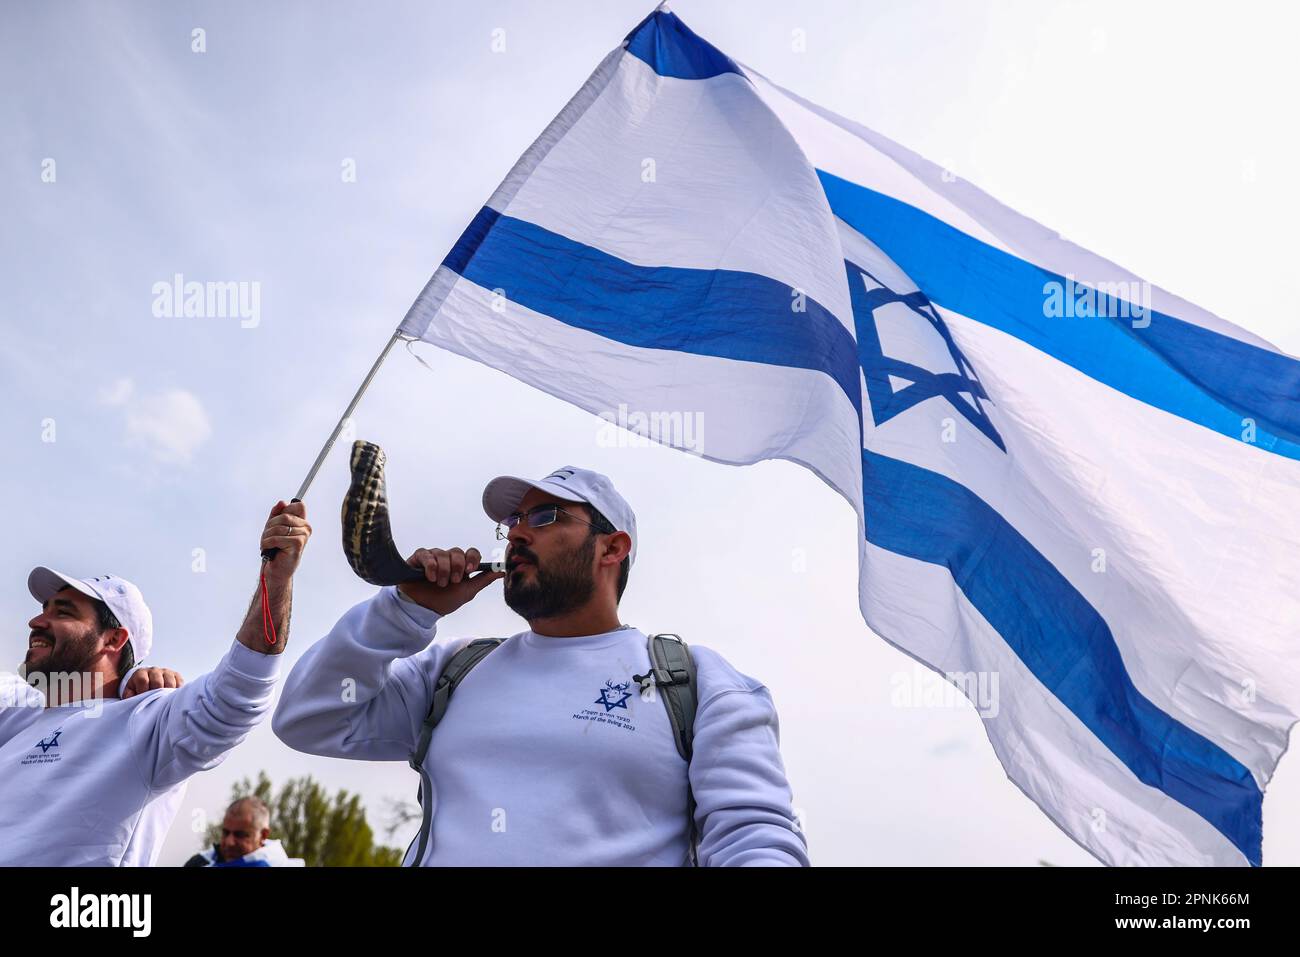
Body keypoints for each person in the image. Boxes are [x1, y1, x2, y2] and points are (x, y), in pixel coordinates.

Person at [274, 467, 809, 866]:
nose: (518, 533)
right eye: (514, 520)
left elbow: (754, 837)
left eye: (547, 516)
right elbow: (307, 718)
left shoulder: (696, 680)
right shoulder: (455, 668)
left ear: (612, 548)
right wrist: (405, 609)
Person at [0, 501, 312, 866]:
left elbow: (235, 698)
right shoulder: (16, 715)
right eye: (44, 608)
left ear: (113, 640)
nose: (36, 621)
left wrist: (275, 580)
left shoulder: (145, 721)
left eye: (62, 612)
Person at [184, 796, 304, 867]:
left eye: (240, 835)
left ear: (263, 835)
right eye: (226, 832)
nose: (229, 842)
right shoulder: (200, 862)